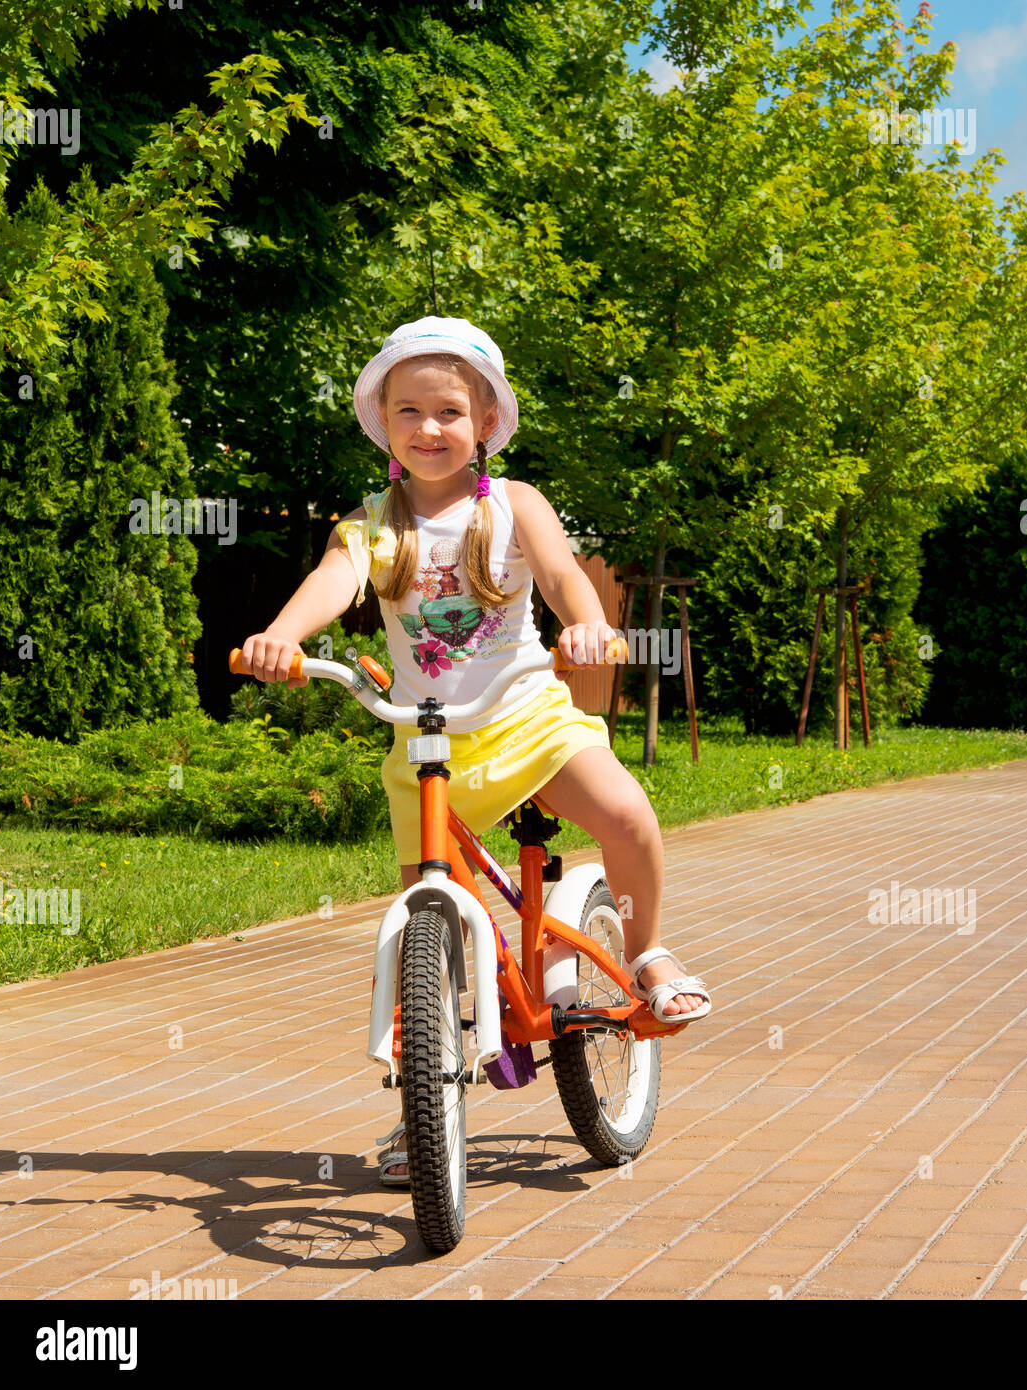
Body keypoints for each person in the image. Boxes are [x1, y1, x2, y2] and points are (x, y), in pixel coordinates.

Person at [238, 316, 711, 1184]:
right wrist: (280, 635)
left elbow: (564, 576)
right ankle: (427, 1105)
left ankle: (645, 952)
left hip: (525, 712)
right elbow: (331, 583)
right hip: (425, 745)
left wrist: (590, 623)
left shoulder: (511, 504)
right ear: (384, 423)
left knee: (626, 812)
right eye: (409, 411)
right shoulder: (372, 524)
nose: (429, 428)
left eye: (449, 411)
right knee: (433, 931)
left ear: (486, 420)